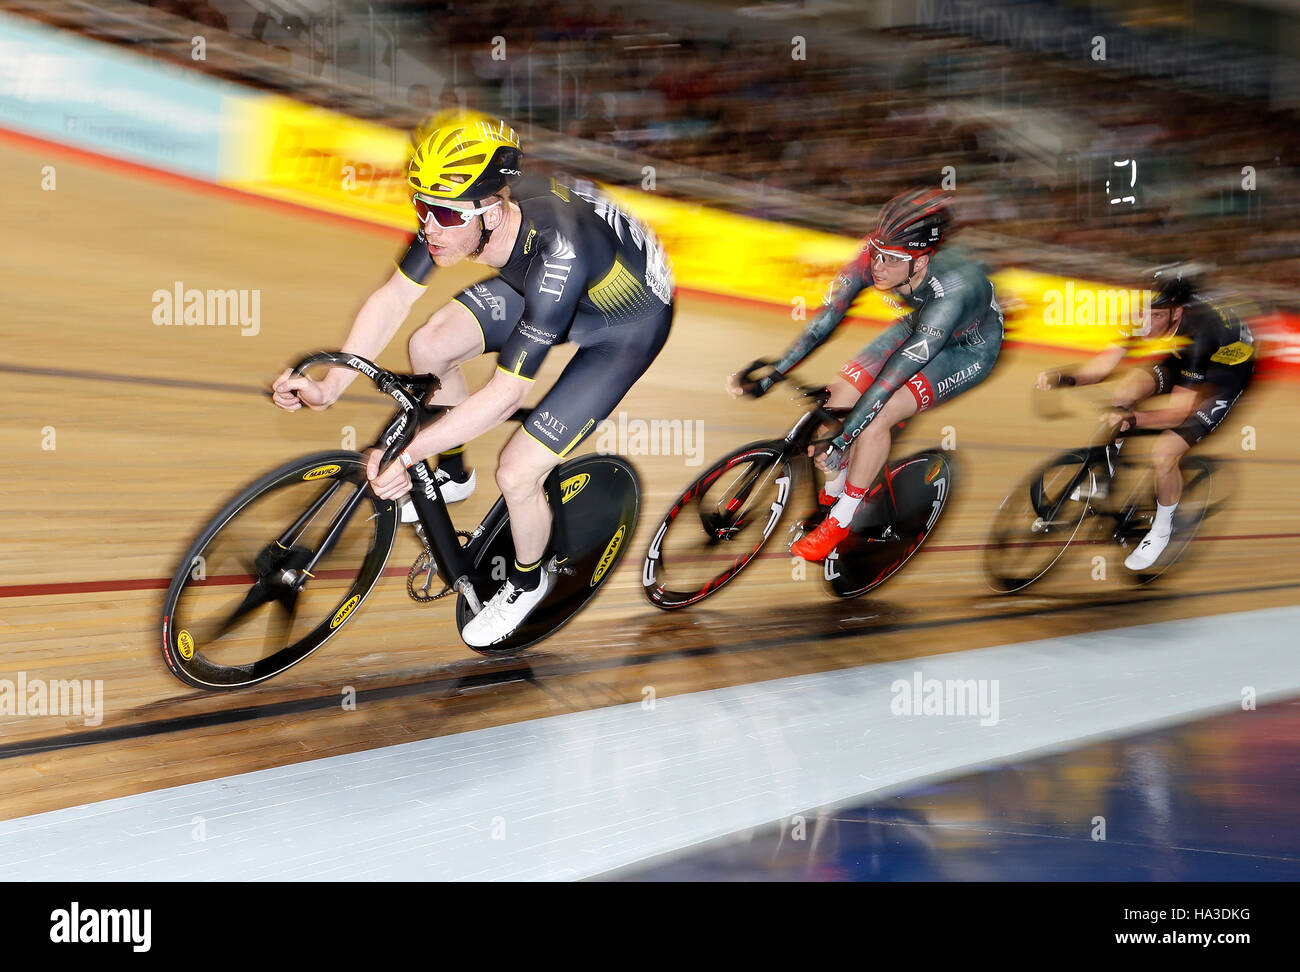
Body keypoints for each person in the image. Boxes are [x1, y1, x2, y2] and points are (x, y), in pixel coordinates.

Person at [272, 114, 674, 645]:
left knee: (517, 470)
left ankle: (529, 582)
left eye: (441, 213)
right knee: (430, 345)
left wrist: (409, 454)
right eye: (420, 207)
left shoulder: (558, 251)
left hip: (623, 324)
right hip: (549, 287)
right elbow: (393, 299)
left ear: (490, 209)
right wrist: (328, 387)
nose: (428, 227)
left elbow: (506, 393)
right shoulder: (460, 212)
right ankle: (456, 476)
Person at [729, 188, 1004, 561]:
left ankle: (842, 518)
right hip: (920, 325)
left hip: (969, 348)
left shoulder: (953, 290)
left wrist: (844, 439)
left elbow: (892, 378)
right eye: (876, 251)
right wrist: (775, 372)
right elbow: (826, 321)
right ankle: (838, 483)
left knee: (878, 415)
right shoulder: (874, 257)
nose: (878, 265)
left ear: (920, 263)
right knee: (836, 400)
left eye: (891, 259)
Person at [1035, 265, 1255, 570]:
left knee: (1164, 453)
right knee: (1122, 395)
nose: (1148, 323)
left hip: (1225, 376)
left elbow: (1179, 413)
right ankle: (1105, 477)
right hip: (1183, 357)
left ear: (1176, 312)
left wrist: (1134, 419)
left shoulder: (1201, 331)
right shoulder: (1148, 312)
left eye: (1158, 316)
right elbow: (1102, 368)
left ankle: (1161, 530)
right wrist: (1065, 378)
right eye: (1146, 311)